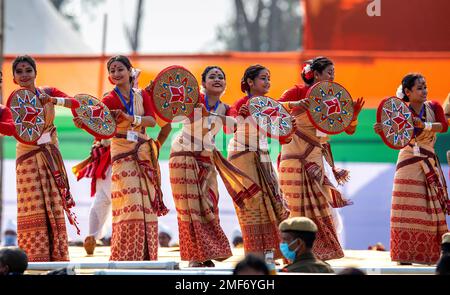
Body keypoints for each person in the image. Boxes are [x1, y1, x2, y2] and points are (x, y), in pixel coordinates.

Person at [75, 55, 172, 261]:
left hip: (144, 152)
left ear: (130, 71)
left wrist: (131, 118)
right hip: (122, 154)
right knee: (130, 203)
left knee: (147, 202)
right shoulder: (109, 99)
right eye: (112, 71)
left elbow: (152, 122)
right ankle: (126, 254)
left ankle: (146, 255)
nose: (116, 73)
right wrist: (84, 124)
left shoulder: (142, 95)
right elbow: (101, 129)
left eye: (120, 69)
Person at [169, 65, 260, 267]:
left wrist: (213, 116)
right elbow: (187, 117)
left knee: (210, 205)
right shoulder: (194, 100)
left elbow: (233, 126)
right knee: (190, 208)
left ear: (225, 84)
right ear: (203, 83)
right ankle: (195, 257)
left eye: (221, 76)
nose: (217, 79)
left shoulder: (225, 108)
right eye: (212, 76)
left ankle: (207, 253)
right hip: (184, 156)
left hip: (207, 159)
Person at [277, 56, 365, 261]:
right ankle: (290, 254)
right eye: (329, 72)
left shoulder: (334, 98)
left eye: (334, 72)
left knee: (321, 205)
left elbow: (348, 130)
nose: (333, 76)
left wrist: (353, 116)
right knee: (293, 206)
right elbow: (275, 111)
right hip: (293, 159)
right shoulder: (296, 92)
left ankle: (319, 253)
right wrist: (298, 105)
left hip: (316, 160)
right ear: (316, 74)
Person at [10, 55, 80, 262]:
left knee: (54, 201)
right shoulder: (15, 99)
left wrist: (52, 100)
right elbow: (13, 127)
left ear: (35, 73)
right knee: (33, 205)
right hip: (28, 156)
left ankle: (57, 254)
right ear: (14, 77)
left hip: (50, 153)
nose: (24, 75)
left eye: (28, 70)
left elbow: (75, 102)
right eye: (19, 71)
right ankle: (34, 255)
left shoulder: (47, 92)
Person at [374, 73, 449, 265]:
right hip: (407, 163)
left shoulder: (434, 107)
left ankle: (430, 254)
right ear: (407, 92)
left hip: (428, 159)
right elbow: (393, 137)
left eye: (425, 86)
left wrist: (423, 124)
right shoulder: (399, 111)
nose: (424, 91)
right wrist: (383, 129)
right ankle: (404, 255)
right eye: (419, 88)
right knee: (404, 209)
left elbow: (444, 126)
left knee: (430, 208)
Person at [227, 65, 290, 259]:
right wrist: (240, 116)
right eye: (263, 78)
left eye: (269, 78)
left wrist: (291, 129)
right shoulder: (241, 103)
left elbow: (283, 137)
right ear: (250, 82)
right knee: (254, 206)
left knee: (274, 204)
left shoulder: (270, 105)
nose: (267, 81)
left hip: (263, 157)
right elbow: (228, 129)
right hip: (242, 157)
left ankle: (271, 257)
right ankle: (256, 258)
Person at [72, 139, 112, 255]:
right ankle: (92, 237)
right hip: (105, 160)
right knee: (99, 204)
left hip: (123, 158)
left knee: (124, 208)